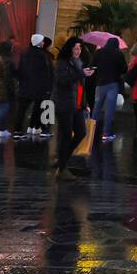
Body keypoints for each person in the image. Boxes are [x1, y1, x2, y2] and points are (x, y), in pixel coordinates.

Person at [52, 37, 89, 175]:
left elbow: (80, 87)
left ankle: (62, 160)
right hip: (65, 104)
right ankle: (62, 168)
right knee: (66, 135)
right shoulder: (62, 63)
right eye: (75, 48)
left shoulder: (79, 63)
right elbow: (63, 81)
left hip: (77, 105)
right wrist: (81, 73)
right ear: (69, 49)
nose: (78, 51)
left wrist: (85, 103)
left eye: (79, 48)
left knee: (81, 132)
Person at [12, 34, 54, 139]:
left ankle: (17, 130)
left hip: (25, 86)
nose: (43, 43)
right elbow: (47, 72)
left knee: (22, 109)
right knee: (44, 107)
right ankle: (44, 129)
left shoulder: (24, 53)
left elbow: (20, 69)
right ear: (39, 42)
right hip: (40, 87)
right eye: (42, 41)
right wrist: (49, 85)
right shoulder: (43, 55)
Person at [92, 36, 127, 142]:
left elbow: (92, 65)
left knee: (97, 108)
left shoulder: (99, 52)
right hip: (113, 84)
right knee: (109, 109)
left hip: (100, 83)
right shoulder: (118, 53)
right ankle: (106, 133)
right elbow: (124, 69)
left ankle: (91, 131)